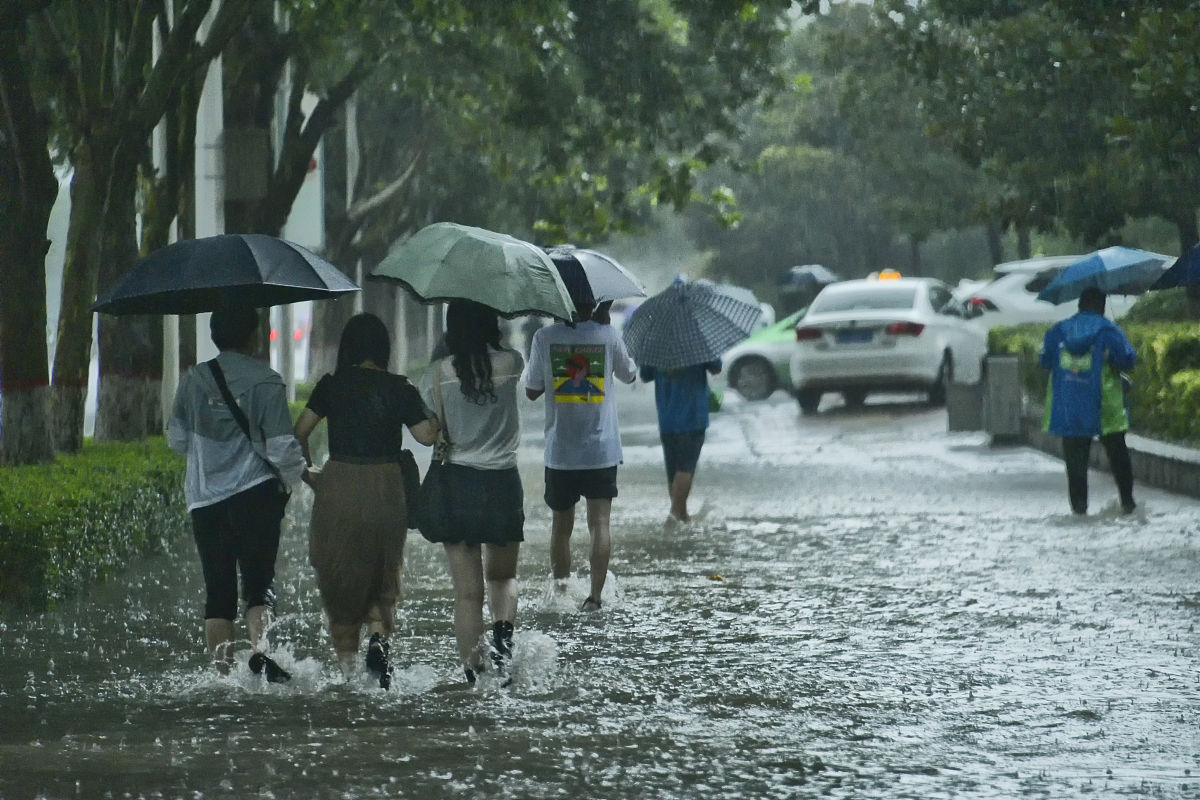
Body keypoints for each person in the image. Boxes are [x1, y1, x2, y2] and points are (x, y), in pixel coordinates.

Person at [294, 313, 438, 689]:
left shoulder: (331, 385)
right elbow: (426, 437)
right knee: (383, 574)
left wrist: (311, 475)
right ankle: (379, 638)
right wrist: (436, 411)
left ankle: (349, 678)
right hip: (387, 486)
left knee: (341, 580)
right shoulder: (399, 387)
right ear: (383, 348)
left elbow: (299, 433)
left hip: (338, 483)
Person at [167, 305, 307, 681]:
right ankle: (261, 653)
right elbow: (281, 448)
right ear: (253, 336)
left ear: (215, 335)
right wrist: (299, 476)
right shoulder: (266, 381)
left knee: (218, 595)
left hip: (206, 501)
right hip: (255, 496)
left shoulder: (193, 380)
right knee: (258, 586)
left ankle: (225, 680)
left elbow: (177, 441)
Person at [419, 300, 526, 683]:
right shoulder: (512, 363)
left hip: (456, 485)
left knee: (467, 594)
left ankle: (473, 674)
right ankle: (503, 644)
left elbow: (430, 426)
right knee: (503, 578)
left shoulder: (437, 374)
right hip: (502, 483)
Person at [525, 298, 637, 612]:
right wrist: (604, 329)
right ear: (596, 301)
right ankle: (596, 598)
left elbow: (531, 391)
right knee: (600, 524)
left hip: (561, 451)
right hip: (601, 451)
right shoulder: (608, 335)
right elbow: (629, 374)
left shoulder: (544, 338)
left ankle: (561, 598)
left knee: (561, 528)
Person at [1039, 287, 1137, 515]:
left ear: (1079, 305)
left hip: (1069, 404)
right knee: (1118, 455)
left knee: (1075, 462)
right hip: (1105, 405)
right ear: (1102, 306)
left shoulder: (1059, 331)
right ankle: (1128, 504)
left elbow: (1045, 361)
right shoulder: (1109, 331)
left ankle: (1079, 509)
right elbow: (1128, 360)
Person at [640, 360, 722, 524]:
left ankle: (682, 515)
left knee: (673, 471)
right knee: (685, 468)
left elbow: (645, 375)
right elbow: (716, 368)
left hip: (666, 419)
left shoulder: (655, 344)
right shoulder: (696, 341)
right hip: (693, 417)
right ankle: (675, 513)